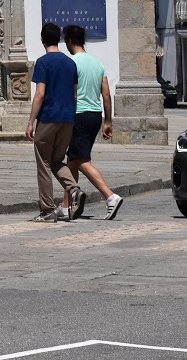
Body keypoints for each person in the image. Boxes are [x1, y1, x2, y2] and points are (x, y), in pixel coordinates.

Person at [63, 24, 123, 221]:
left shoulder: (71, 63)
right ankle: (67, 205)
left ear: (70, 41)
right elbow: (106, 94)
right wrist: (108, 121)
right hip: (95, 115)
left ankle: (110, 196)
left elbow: (70, 93)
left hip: (78, 115)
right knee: (72, 160)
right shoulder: (97, 64)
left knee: (80, 160)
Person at [24, 21, 81, 223]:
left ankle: (47, 210)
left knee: (44, 164)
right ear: (59, 39)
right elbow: (74, 92)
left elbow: (40, 94)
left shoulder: (43, 62)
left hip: (48, 117)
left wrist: (31, 122)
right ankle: (73, 189)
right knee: (57, 160)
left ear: (42, 40)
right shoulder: (70, 63)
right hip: (68, 118)